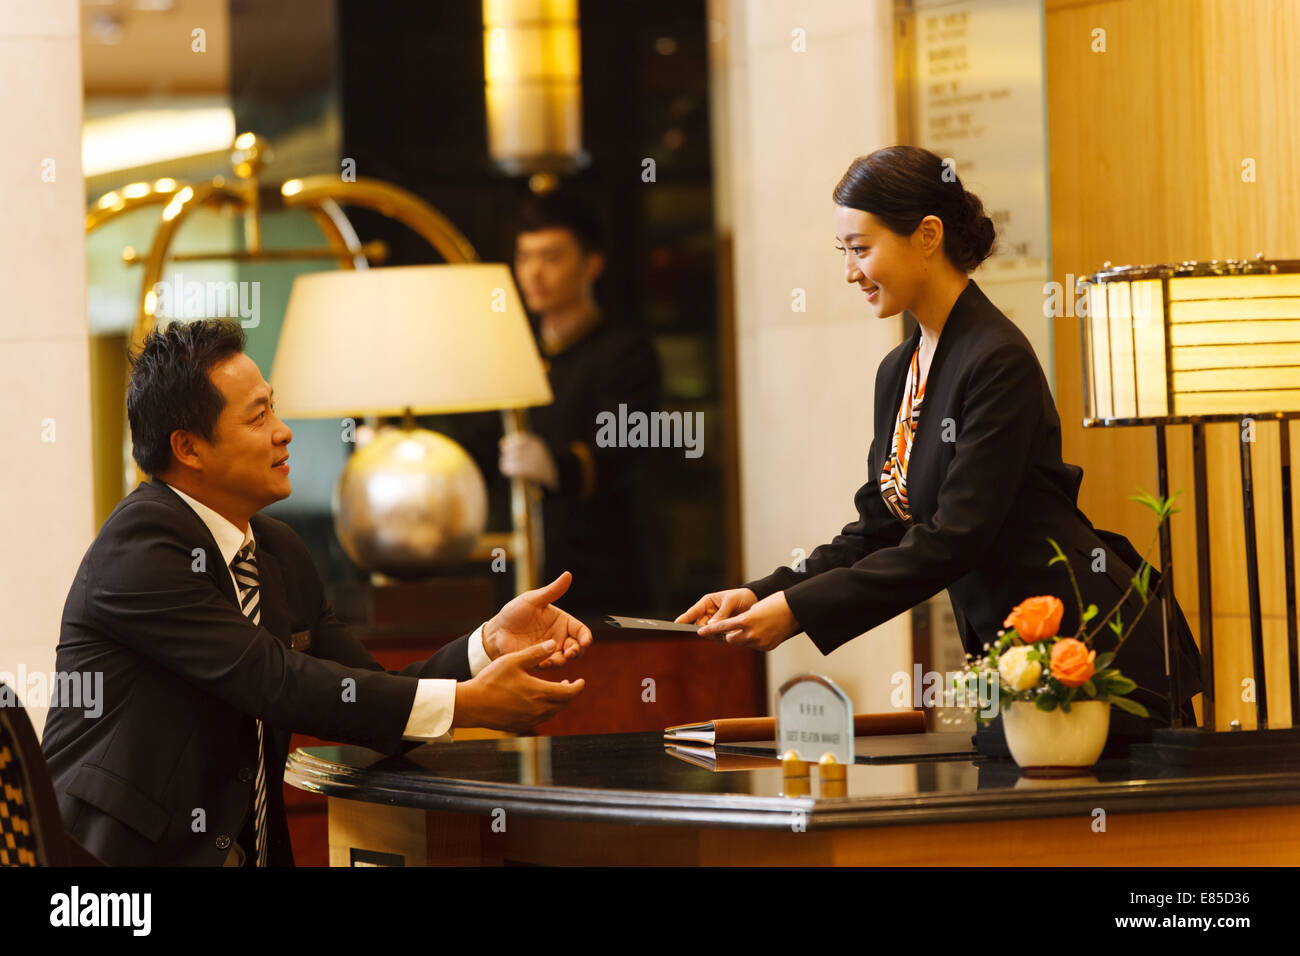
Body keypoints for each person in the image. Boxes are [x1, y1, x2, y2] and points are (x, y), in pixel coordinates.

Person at [677, 145, 1202, 748]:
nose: (851, 272)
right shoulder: (899, 369)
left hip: (1087, 651)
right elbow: (879, 528)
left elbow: (955, 536)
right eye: (844, 252)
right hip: (1012, 659)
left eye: (861, 248)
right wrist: (764, 593)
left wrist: (800, 611)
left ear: (927, 235)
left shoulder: (995, 357)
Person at [41, 319, 589, 866]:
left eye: (273, 409)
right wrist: (469, 706)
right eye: (258, 417)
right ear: (189, 447)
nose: (284, 432)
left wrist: (486, 644)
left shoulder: (277, 551)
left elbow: (368, 695)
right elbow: (274, 680)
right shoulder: (141, 544)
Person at [499, 190, 663, 616]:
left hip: (603, 569)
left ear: (591, 264)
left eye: (551, 257)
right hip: (521, 566)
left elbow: (627, 450)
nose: (534, 273)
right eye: (524, 257)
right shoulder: (511, 353)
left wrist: (557, 466)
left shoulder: (625, 352)